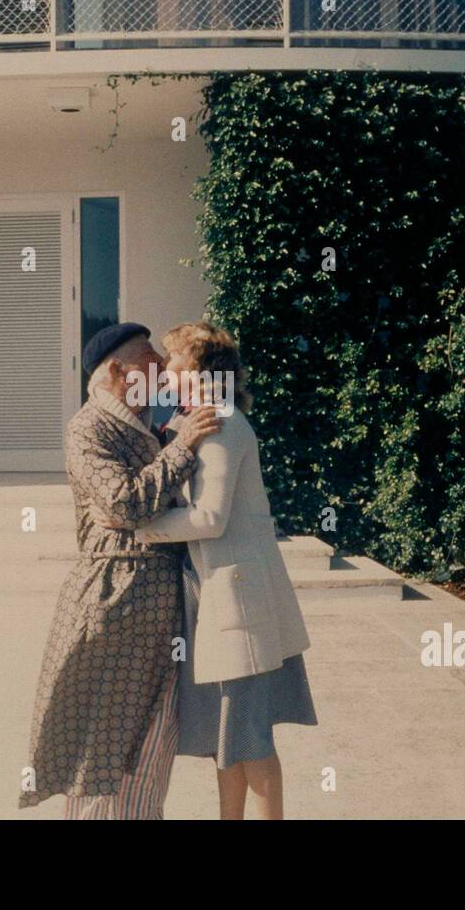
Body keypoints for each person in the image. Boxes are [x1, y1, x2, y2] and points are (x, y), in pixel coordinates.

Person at [19, 322, 221, 819]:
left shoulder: (148, 426)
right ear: (116, 370)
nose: (163, 368)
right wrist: (180, 448)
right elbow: (127, 504)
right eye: (150, 360)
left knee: (149, 752)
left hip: (158, 609)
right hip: (116, 607)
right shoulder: (88, 428)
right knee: (107, 753)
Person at [137, 321, 316, 820]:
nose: (165, 370)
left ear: (195, 368)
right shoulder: (195, 419)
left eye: (172, 361)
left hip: (238, 602)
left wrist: (139, 525)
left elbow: (210, 519)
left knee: (251, 739)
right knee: (228, 738)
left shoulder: (222, 423)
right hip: (216, 601)